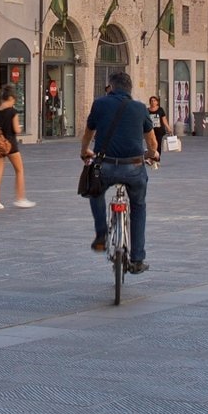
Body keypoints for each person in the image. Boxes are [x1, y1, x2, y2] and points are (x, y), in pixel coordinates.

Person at [82, 71, 158, 271]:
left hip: (105, 166)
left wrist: (84, 152)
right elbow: (151, 141)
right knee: (138, 205)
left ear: (111, 87)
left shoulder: (100, 104)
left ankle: (101, 234)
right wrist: (153, 154)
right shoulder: (140, 108)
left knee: (95, 192)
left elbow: (89, 133)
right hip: (134, 167)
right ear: (130, 89)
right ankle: (137, 258)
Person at [0, 91, 35, 209]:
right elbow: (16, 130)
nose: (14, 102)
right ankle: (20, 198)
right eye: (13, 100)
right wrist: (19, 127)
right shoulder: (12, 112)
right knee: (19, 170)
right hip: (11, 144)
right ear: (10, 98)